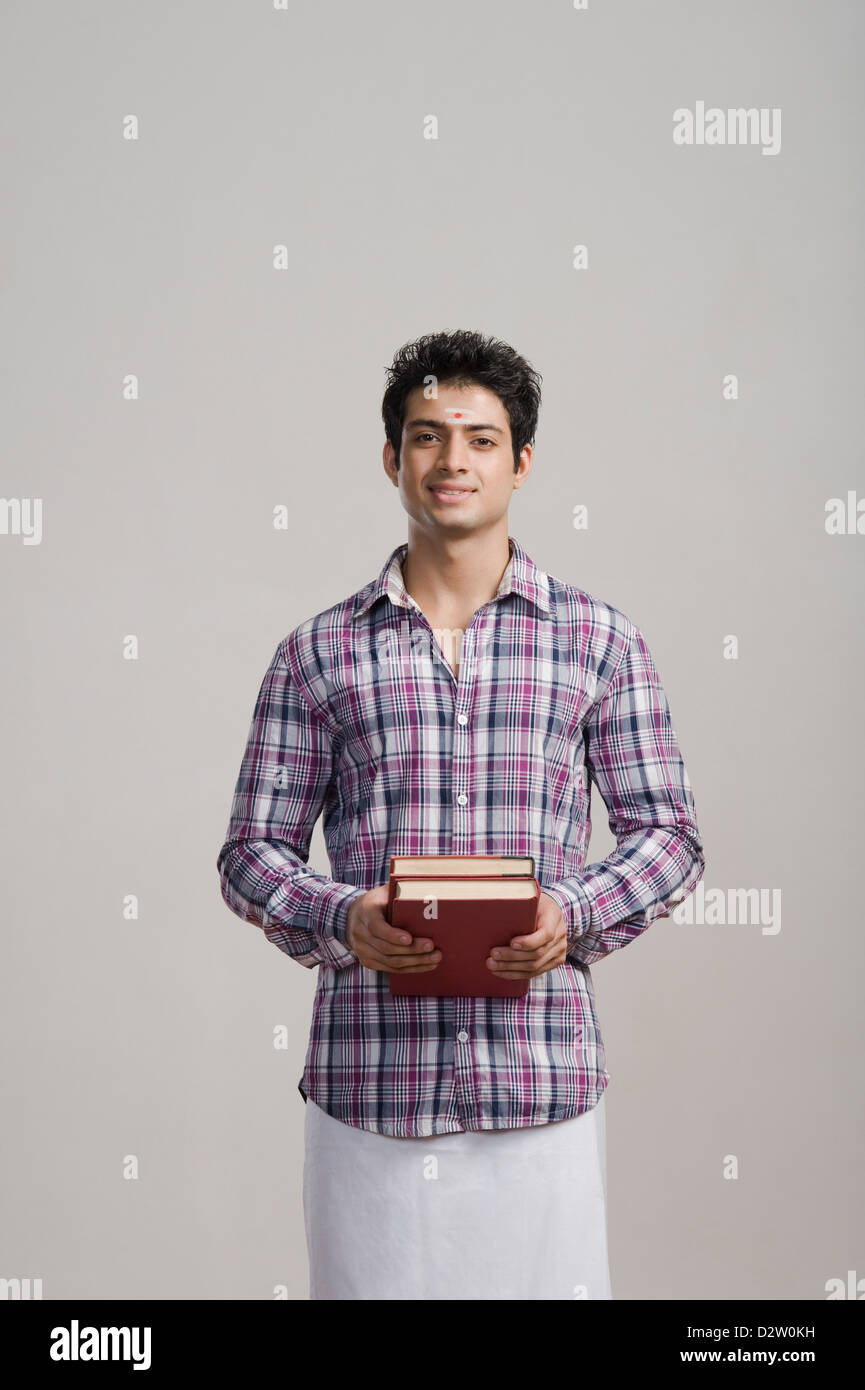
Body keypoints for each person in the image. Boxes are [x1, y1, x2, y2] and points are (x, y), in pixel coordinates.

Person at [216, 328, 705, 1300]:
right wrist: (340, 917)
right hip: (371, 1094)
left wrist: (573, 911)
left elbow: (668, 835)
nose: (453, 461)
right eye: (427, 436)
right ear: (393, 458)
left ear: (521, 462)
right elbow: (250, 852)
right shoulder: (317, 654)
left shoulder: (598, 642)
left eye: (480, 439)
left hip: (541, 1088)